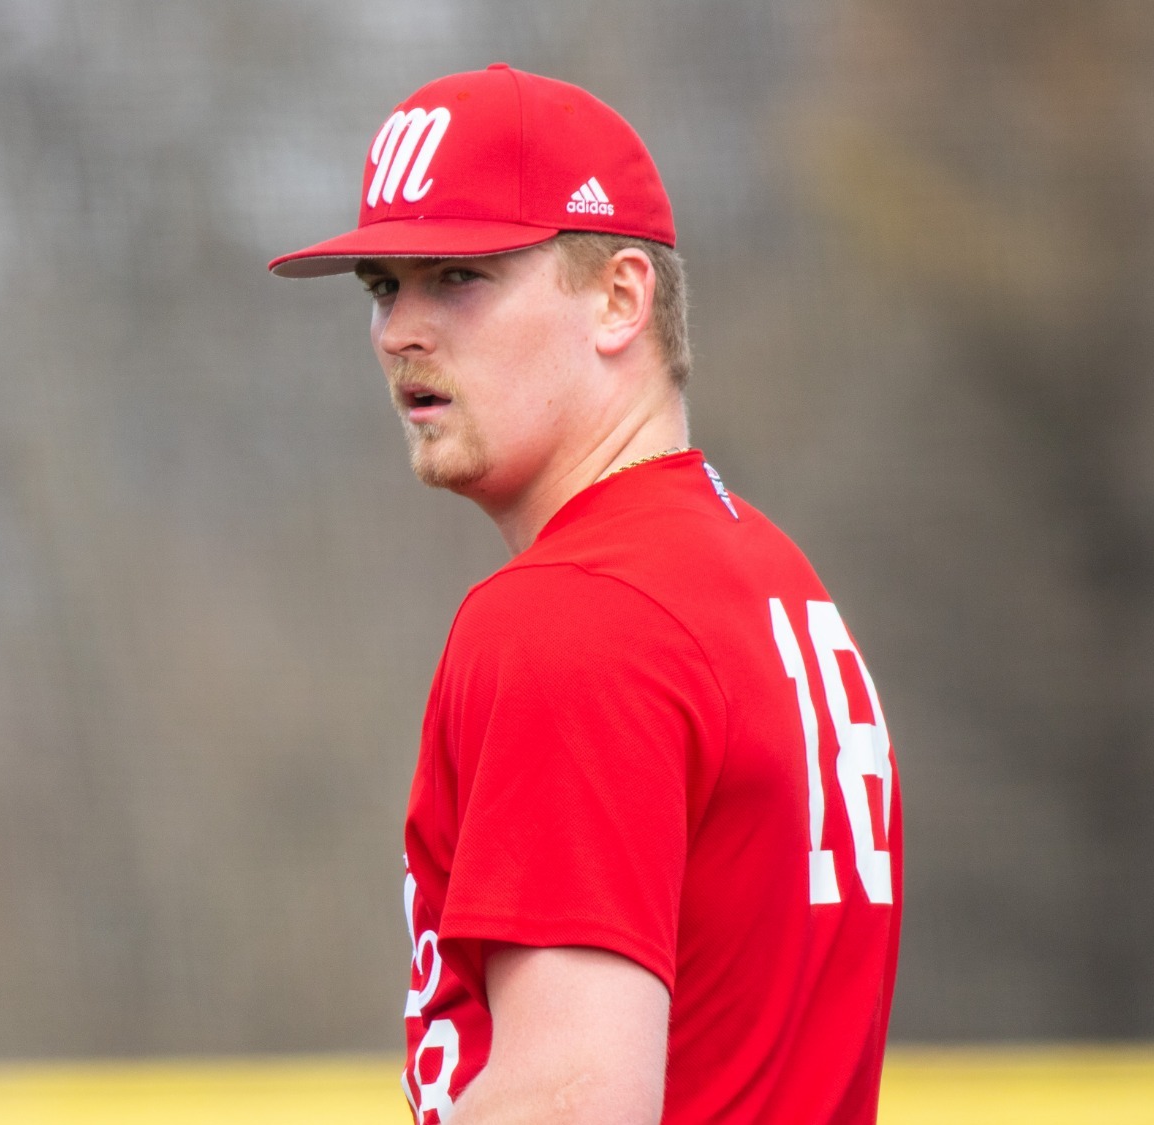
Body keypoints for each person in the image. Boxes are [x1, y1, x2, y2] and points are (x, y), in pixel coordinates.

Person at [270, 64, 902, 1124]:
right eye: (383, 286)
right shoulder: (771, 580)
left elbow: (573, 1100)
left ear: (619, 298)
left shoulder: (573, 613)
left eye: (456, 277)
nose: (397, 331)